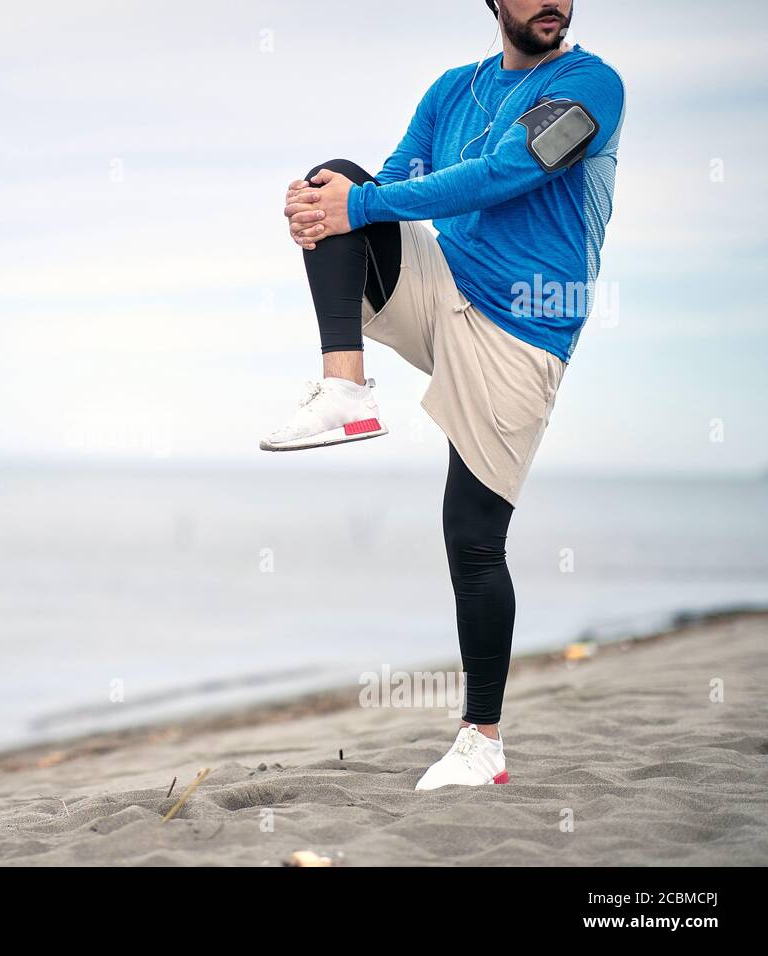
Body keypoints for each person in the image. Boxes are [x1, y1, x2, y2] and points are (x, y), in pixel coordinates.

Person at [260, 0, 625, 789]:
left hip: (523, 329)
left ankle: (481, 742)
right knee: (338, 180)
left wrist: (357, 210)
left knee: (471, 536)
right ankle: (345, 389)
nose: (552, 1)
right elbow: (389, 187)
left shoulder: (593, 86)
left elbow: (506, 172)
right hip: (443, 287)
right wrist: (326, 213)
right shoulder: (450, 91)